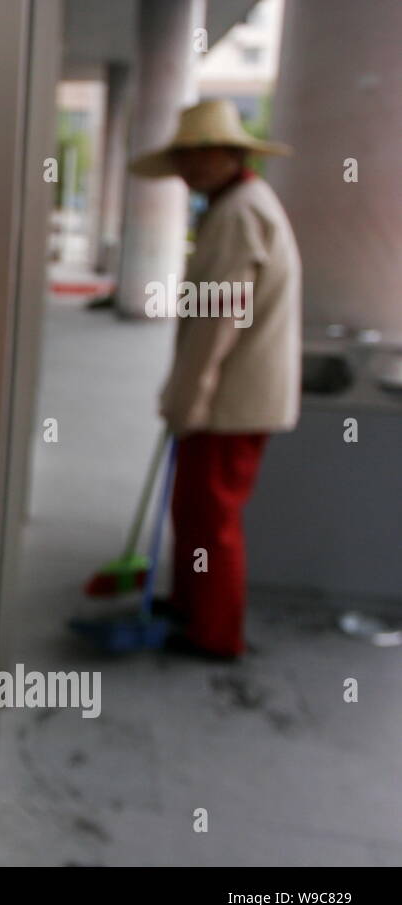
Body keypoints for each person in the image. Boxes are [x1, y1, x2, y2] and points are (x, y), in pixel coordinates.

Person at [129, 99, 302, 660]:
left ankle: (215, 635)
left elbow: (219, 316)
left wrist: (188, 396)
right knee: (194, 511)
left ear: (229, 154)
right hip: (227, 395)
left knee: (211, 518)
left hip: (230, 400)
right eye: (183, 156)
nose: (188, 168)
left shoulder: (238, 213)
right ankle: (191, 606)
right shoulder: (236, 204)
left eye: (199, 154)